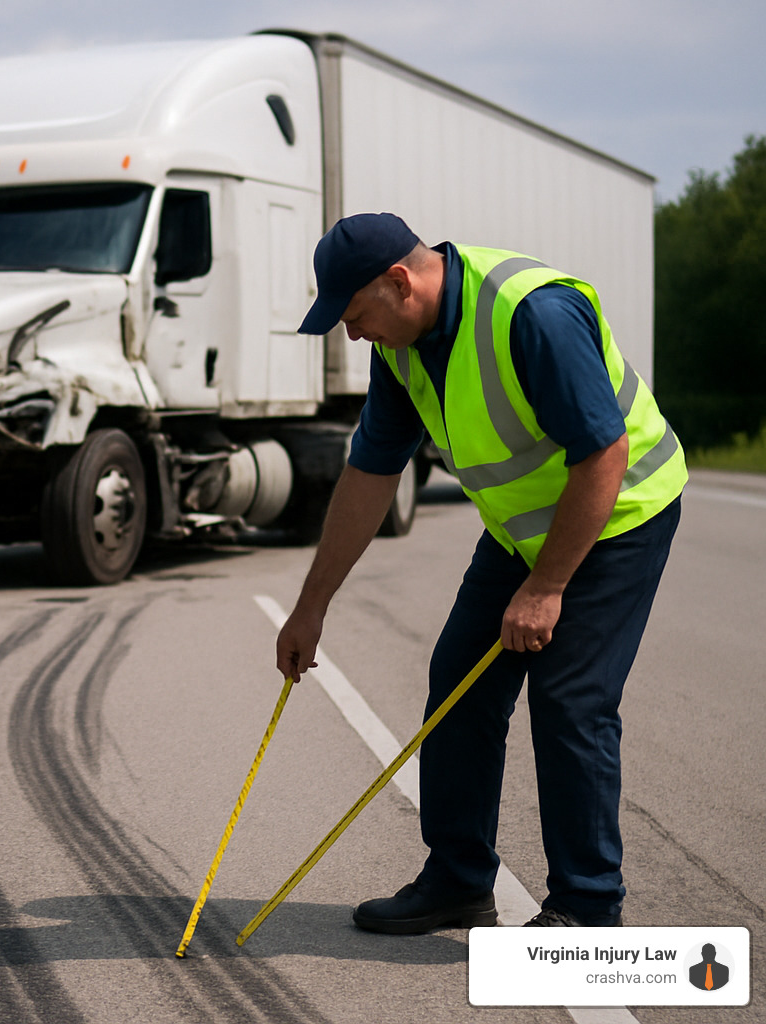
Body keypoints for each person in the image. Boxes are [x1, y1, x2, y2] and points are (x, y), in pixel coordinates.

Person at [277, 213, 686, 933]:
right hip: (525, 530)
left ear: (400, 282)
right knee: (458, 684)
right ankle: (458, 880)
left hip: (620, 513)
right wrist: (312, 607)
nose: (351, 334)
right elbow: (371, 474)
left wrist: (548, 587)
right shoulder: (402, 349)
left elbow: (605, 455)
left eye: (355, 315)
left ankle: (587, 911)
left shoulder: (532, 314)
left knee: (570, 701)